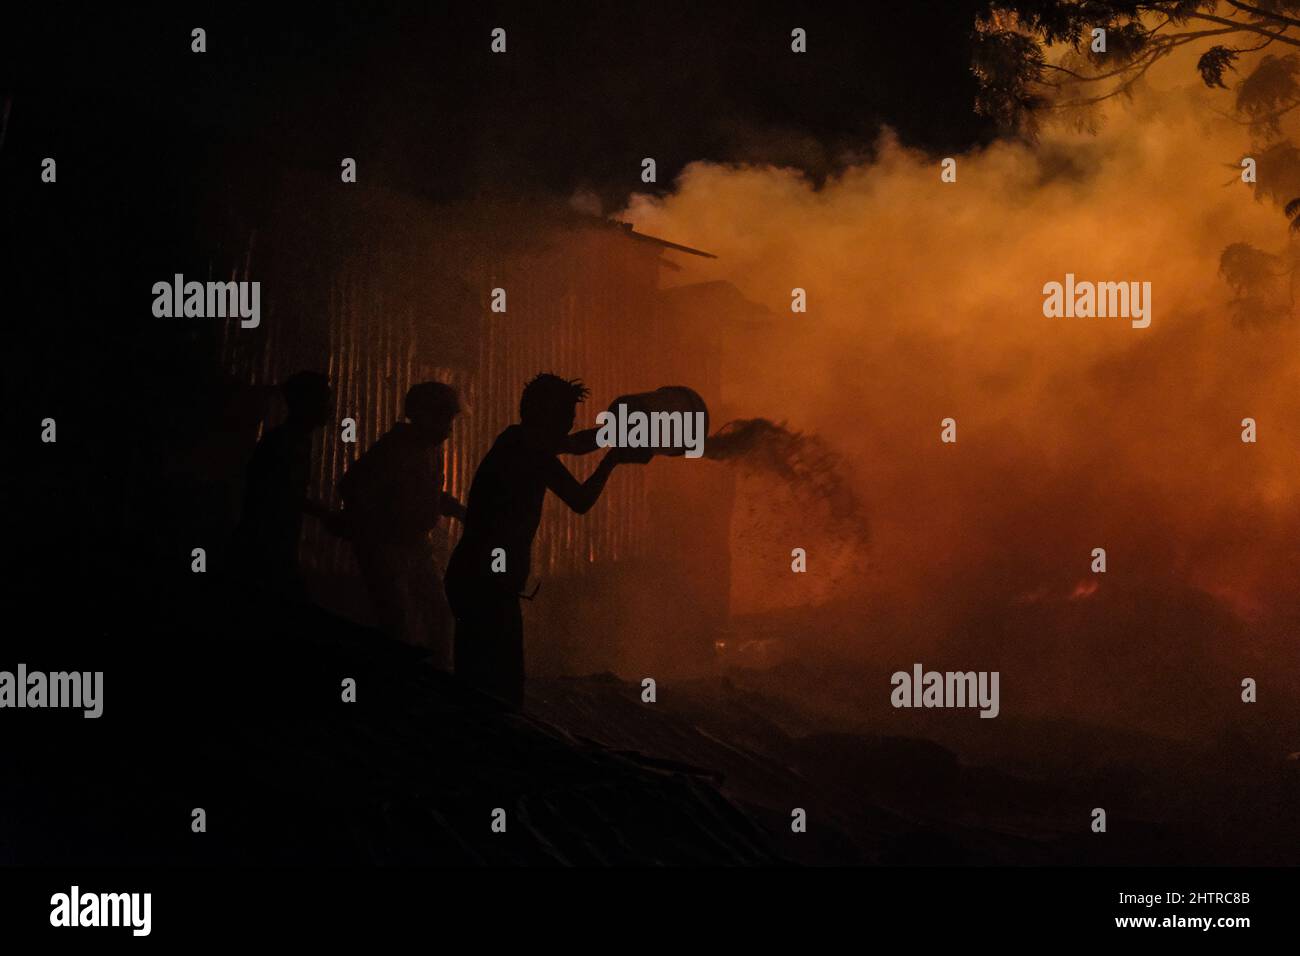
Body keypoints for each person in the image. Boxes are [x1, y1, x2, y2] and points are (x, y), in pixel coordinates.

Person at [445, 373, 650, 707]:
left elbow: (577, 444)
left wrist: (613, 433)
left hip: (476, 578)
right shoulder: (531, 453)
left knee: (481, 683)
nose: (570, 424)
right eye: (566, 416)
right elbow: (581, 500)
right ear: (546, 415)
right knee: (498, 687)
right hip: (486, 585)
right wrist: (612, 459)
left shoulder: (518, 439)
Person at [341, 381, 465, 666]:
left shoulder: (429, 449)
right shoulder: (396, 448)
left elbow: (428, 494)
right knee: (398, 625)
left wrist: (458, 510)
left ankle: (433, 685)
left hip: (416, 544)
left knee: (440, 618)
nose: (448, 428)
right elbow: (352, 487)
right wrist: (376, 527)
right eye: (444, 418)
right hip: (387, 547)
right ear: (422, 415)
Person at [235, 370, 333, 599]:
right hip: (265, 545)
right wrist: (324, 513)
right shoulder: (284, 443)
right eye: (325, 400)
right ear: (308, 404)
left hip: (273, 542)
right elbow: (283, 494)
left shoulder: (293, 440)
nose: (330, 407)